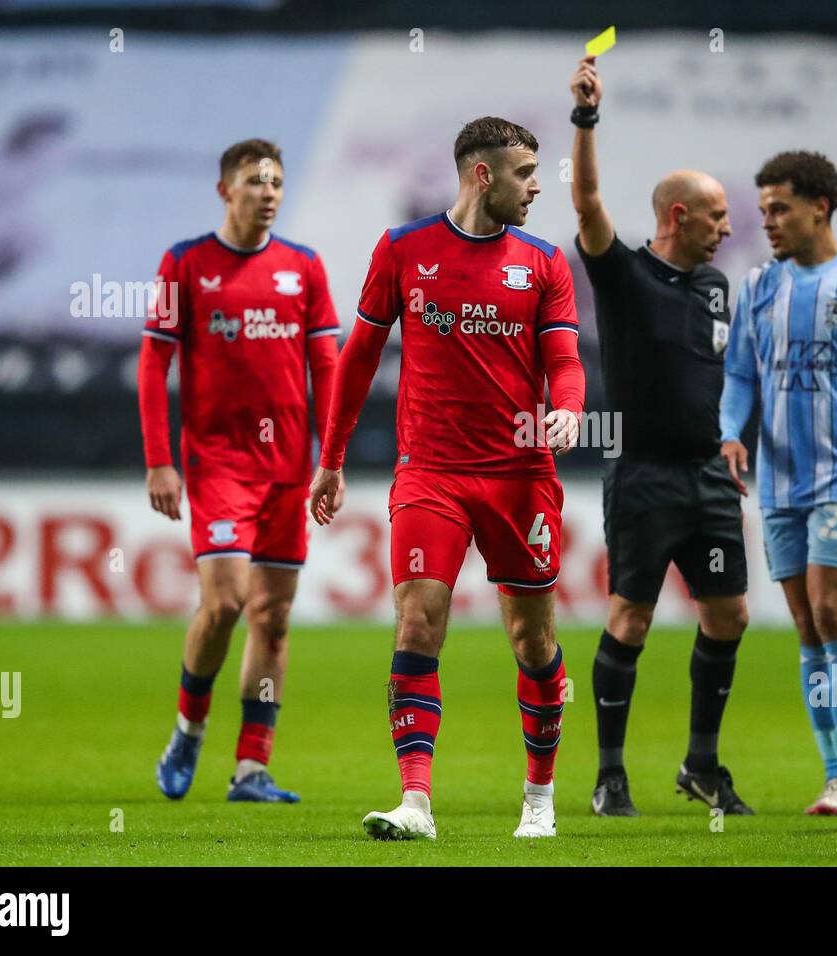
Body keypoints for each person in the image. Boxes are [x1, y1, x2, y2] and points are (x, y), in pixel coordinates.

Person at [310, 117, 586, 840]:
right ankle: (415, 802)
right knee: (417, 620)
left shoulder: (544, 262)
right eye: (526, 173)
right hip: (431, 471)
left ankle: (539, 799)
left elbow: (564, 357)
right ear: (483, 175)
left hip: (521, 474)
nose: (536, 187)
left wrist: (570, 408)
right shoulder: (404, 250)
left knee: (531, 641)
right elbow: (359, 356)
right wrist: (332, 458)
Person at [567, 54, 752, 817]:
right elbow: (586, 205)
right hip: (642, 475)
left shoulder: (716, 286)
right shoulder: (622, 273)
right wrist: (585, 118)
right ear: (679, 215)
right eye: (716, 217)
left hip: (707, 476)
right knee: (631, 619)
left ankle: (701, 765)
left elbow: (718, 372)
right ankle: (611, 775)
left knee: (728, 615)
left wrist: (734, 435)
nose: (729, 228)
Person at [141, 138, 342, 803]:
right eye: (256, 181)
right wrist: (159, 462)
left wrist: (330, 459)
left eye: (278, 182)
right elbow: (153, 364)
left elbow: (326, 368)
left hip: (289, 467)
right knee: (224, 601)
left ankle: (252, 768)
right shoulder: (185, 263)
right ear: (226, 190)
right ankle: (189, 729)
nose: (270, 192)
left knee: (274, 620)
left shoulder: (303, 268)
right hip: (220, 464)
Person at [720, 151, 837, 815]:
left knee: (832, 607)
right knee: (805, 621)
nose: (769, 223)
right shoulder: (759, 287)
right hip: (780, 482)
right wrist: (732, 431)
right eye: (763, 211)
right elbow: (739, 374)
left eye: (780, 208)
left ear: (821, 206)